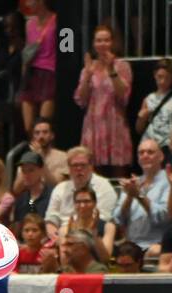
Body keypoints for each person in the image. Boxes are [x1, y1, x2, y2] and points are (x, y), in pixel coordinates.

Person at [74, 25, 132, 177]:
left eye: (106, 40)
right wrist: (87, 75)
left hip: (114, 122)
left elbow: (124, 95)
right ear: (94, 43)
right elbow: (81, 99)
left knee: (119, 172)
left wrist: (111, 70)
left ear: (112, 42)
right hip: (93, 125)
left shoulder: (122, 66)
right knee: (94, 173)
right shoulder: (88, 68)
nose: (103, 44)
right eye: (99, 40)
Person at [43, 146, 119, 239]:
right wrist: (52, 230)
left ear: (91, 166)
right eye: (75, 165)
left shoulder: (104, 187)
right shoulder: (60, 188)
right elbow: (51, 216)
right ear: (69, 168)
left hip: (91, 235)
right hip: (61, 236)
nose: (79, 169)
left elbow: (102, 218)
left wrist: (70, 231)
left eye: (83, 165)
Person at [115, 139, 171, 252]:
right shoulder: (133, 183)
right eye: (141, 153)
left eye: (150, 152)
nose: (145, 155)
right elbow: (118, 219)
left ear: (161, 156)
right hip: (131, 246)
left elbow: (164, 217)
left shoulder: (170, 181)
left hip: (157, 245)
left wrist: (138, 195)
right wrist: (130, 196)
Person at [18, 0, 57, 136]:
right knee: (28, 127)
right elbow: (27, 53)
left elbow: (67, 51)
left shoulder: (59, 22)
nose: (28, 4)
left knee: (44, 123)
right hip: (31, 73)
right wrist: (23, 81)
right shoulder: (29, 24)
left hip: (50, 73)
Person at [136, 59, 172, 153]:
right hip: (150, 144)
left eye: (167, 78)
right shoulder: (148, 99)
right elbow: (139, 129)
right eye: (160, 77)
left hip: (167, 145)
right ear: (155, 75)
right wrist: (141, 118)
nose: (162, 81)